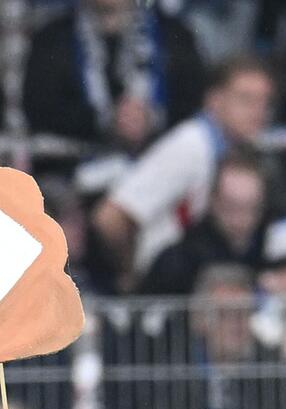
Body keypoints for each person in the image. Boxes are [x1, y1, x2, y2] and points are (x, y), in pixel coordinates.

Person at [92, 53, 274, 287]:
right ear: (214, 100)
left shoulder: (237, 150)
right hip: (163, 284)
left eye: (265, 102)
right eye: (246, 99)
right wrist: (132, 276)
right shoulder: (189, 146)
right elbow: (110, 217)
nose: (258, 112)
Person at [21, 0, 205, 161]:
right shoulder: (53, 37)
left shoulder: (174, 34)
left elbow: (194, 102)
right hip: (73, 167)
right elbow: (40, 108)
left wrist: (151, 119)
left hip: (159, 161)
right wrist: (106, 122)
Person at [140, 151, 267, 297]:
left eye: (251, 208)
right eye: (231, 207)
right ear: (212, 201)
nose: (241, 219)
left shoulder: (272, 252)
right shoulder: (178, 262)